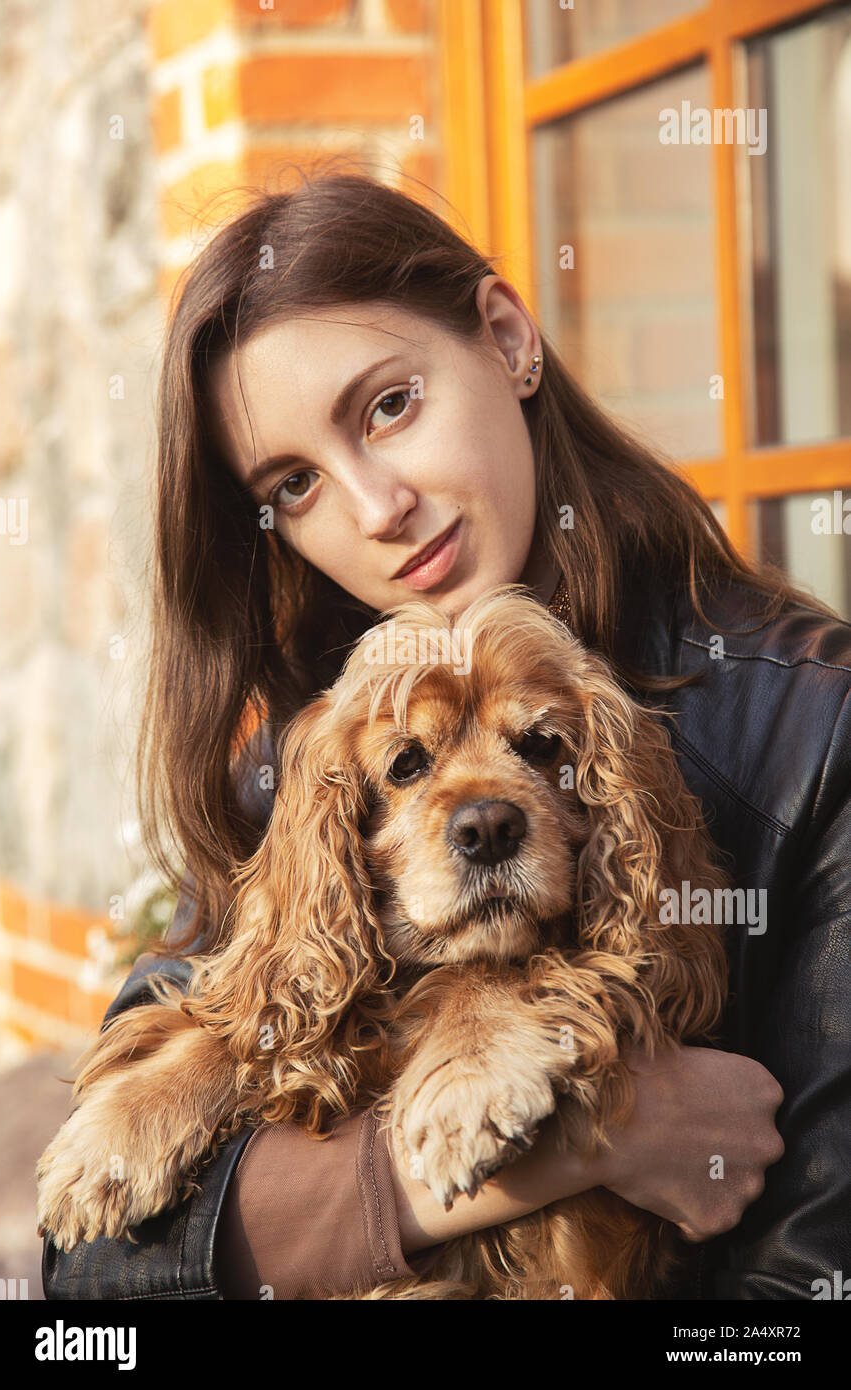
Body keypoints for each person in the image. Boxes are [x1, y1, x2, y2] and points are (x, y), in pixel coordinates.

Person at [42, 166, 850, 1302]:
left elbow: (808, 1288)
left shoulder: (811, 730)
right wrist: (559, 1149)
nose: (376, 509)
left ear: (508, 340)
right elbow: (92, 1265)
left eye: (388, 406)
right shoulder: (316, 734)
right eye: (295, 482)